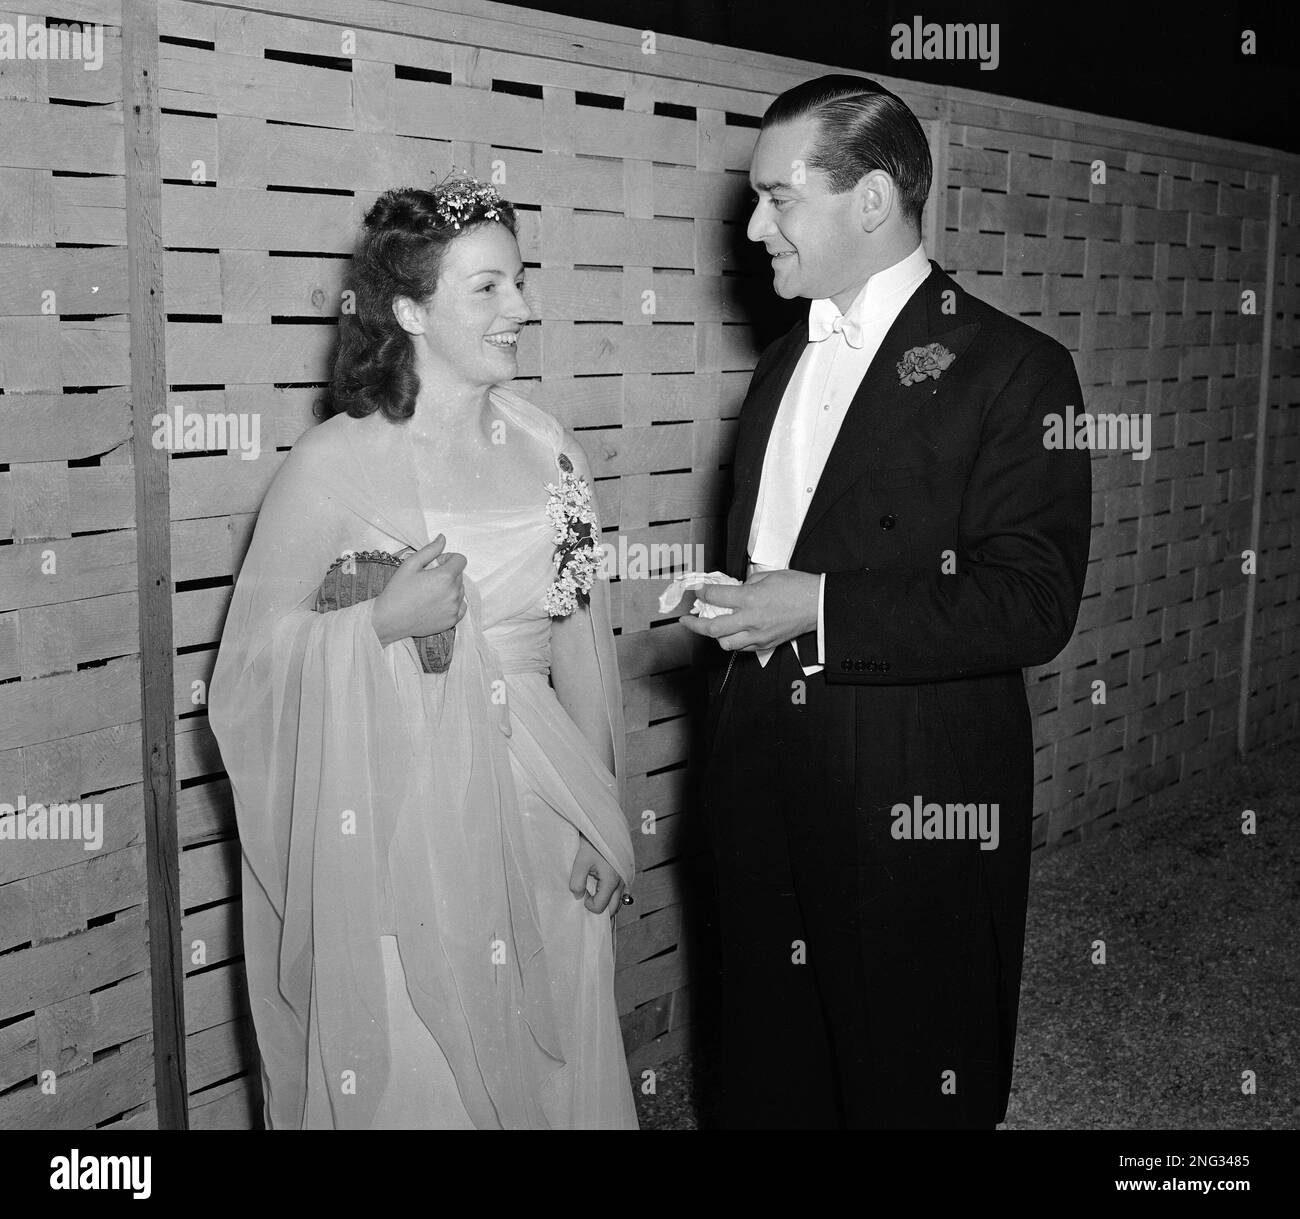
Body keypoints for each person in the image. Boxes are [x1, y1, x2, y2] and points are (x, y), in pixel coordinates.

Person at [680, 76, 1092, 1129]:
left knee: (905, 1065)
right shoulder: (781, 364)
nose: (753, 224)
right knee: (769, 1062)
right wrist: (738, 605)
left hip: (912, 797)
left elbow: (1032, 602)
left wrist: (817, 607)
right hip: (758, 771)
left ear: (871, 201)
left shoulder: (1021, 371)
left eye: (779, 196)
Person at [209, 179, 638, 1130]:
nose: (520, 308)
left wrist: (602, 813)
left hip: (544, 815)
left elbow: (580, 640)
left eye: (518, 283)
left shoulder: (552, 450)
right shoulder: (335, 461)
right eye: (487, 289)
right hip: (400, 830)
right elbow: (246, 675)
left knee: (552, 1044)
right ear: (409, 310)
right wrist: (376, 626)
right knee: (425, 1067)